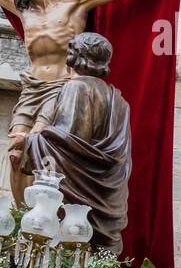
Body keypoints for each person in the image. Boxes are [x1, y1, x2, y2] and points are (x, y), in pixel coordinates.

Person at [1, 0, 181, 191]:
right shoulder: (23, 11)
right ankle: (23, 217)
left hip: (63, 88)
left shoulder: (73, 3)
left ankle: (46, 213)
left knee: (41, 149)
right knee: (15, 154)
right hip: (32, 89)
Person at [20, 32, 132, 252]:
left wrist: (29, 140)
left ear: (73, 56)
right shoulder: (120, 100)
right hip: (105, 195)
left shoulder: (76, 87)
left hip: (75, 195)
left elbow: (65, 144)